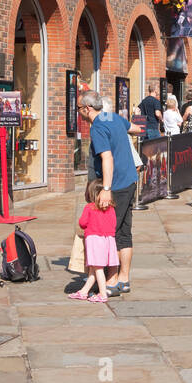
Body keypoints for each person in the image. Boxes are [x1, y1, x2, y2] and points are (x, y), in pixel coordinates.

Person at [81, 90, 141, 297]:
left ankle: (112, 280)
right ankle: (124, 279)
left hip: (116, 185)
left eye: (80, 108)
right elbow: (135, 128)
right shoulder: (112, 116)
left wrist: (106, 189)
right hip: (130, 180)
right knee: (124, 231)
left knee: (109, 233)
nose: (80, 112)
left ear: (88, 108)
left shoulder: (97, 126)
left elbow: (107, 158)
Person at [70, 177, 117, 302]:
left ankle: (102, 294)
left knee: (98, 269)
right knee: (93, 269)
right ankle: (84, 291)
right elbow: (114, 225)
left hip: (95, 240)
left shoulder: (90, 207)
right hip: (108, 240)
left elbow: (82, 223)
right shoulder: (111, 209)